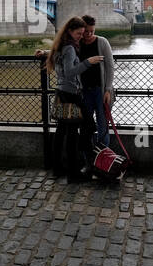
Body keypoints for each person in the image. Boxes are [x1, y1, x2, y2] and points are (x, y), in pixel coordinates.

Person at [42, 16, 103, 182]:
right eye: (78, 33)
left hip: (61, 92)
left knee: (61, 131)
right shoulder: (70, 48)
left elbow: (59, 61)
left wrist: (44, 53)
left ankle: (58, 169)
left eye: (82, 33)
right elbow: (70, 71)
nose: (81, 36)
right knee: (77, 131)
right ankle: (74, 173)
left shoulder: (59, 45)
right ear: (69, 31)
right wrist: (88, 62)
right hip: (72, 94)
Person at [78, 15, 116, 150]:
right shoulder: (77, 44)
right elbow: (62, 52)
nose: (88, 34)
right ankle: (88, 157)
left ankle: (103, 156)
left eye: (92, 31)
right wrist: (46, 53)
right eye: (86, 32)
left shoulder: (102, 42)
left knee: (103, 124)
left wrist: (107, 89)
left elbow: (110, 67)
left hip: (101, 91)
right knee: (85, 125)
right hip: (84, 92)